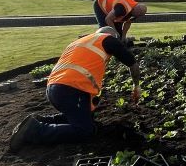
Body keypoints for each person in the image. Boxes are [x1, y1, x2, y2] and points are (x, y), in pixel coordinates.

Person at [9, 26, 141, 149]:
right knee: (84, 131)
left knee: (83, 117)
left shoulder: (78, 43)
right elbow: (132, 64)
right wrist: (136, 86)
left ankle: (43, 120)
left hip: (54, 88)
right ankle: (35, 130)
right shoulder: (108, 39)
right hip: (71, 89)